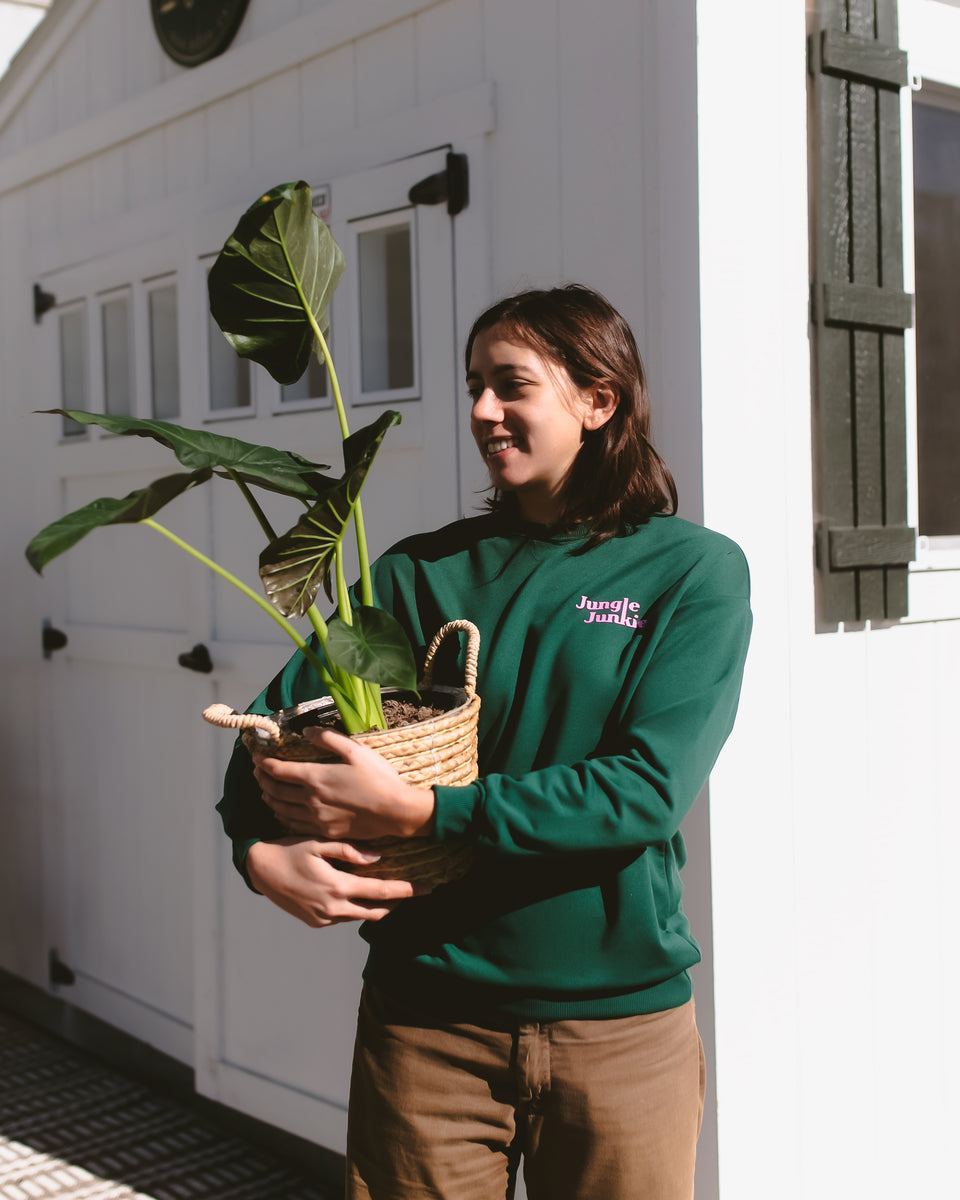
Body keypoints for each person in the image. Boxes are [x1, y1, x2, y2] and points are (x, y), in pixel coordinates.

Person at [216, 284, 752, 1200]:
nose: (481, 411)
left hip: (617, 1032)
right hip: (426, 1024)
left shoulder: (691, 572)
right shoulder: (418, 572)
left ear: (598, 400)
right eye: (474, 387)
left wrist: (424, 811)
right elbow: (269, 733)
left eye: (511, 385)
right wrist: (259, 854)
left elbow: (643, 790)